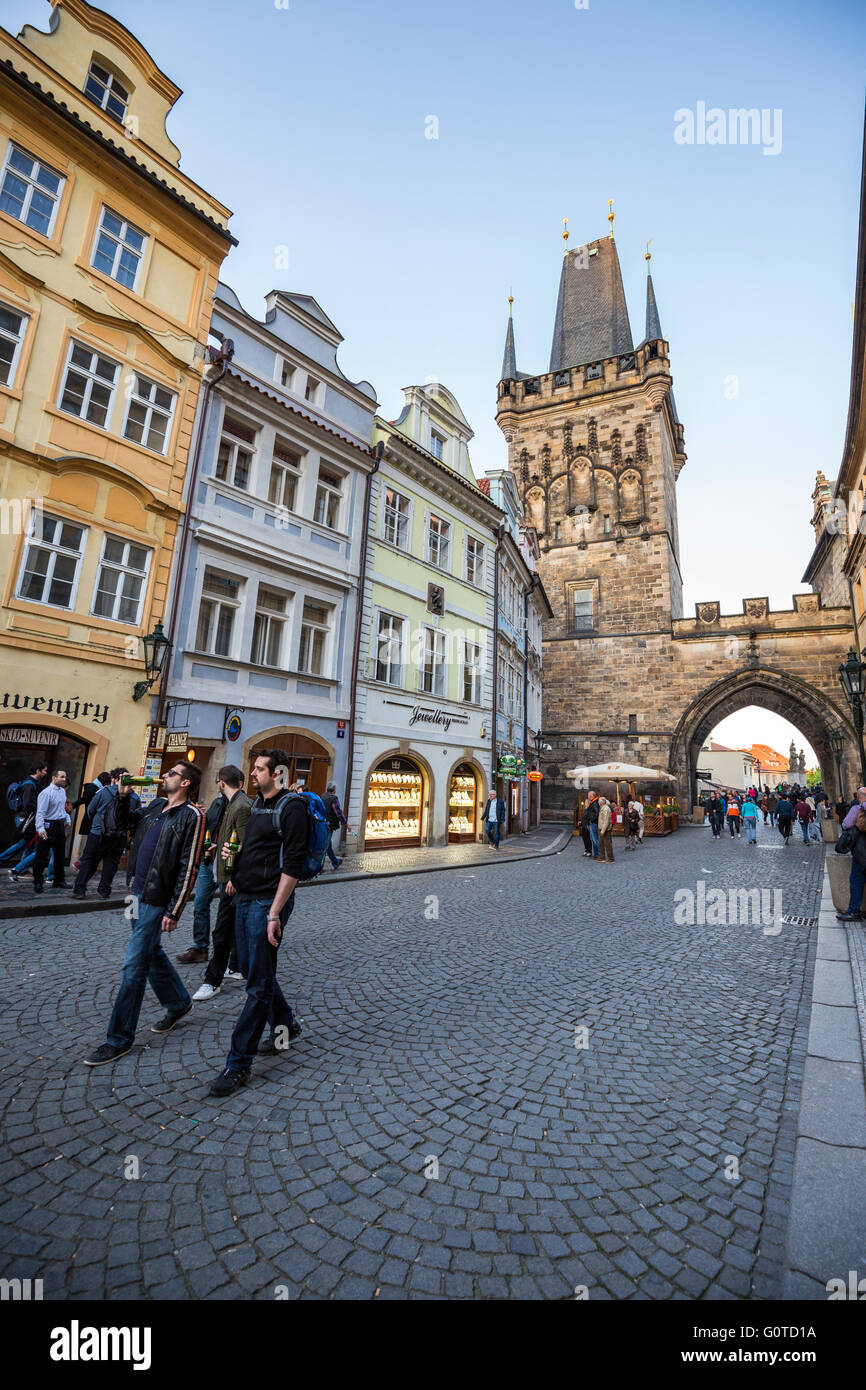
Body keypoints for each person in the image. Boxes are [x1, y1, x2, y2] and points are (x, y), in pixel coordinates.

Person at [83, 762, 205, 1066]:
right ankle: (178, 1003)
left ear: (186, 783)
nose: (166, 775)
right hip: (135, 893)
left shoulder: (192, 816)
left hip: (156, 898)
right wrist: (122, 796)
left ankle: (119, 1039)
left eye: (173, 773)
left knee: (132, 966)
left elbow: (189, 866)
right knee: (150, 953)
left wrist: (175, 909)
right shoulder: (157, 806)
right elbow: (119, 825)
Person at [208, 750, 305, 1097]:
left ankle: (238, 1063)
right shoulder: (257, 805)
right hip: (245, 896)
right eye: (253, 768)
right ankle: (286, 1023)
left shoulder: (291, 807)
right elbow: (254, 848)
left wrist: (275, 912)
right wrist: (232, 864)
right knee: (251, 969)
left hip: (267, 902)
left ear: (277, 772)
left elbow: (292, 864)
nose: (253, 774)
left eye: (260, 769)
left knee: (258, 984)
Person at [193, 766, 252, 1002]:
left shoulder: (240, 806)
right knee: (232, 928)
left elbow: (246, 846)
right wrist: (220, 847)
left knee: (222, 930)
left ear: (221, 783)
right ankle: (236, 968)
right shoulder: (232, 802)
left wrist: (235, 877)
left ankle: (212, 980)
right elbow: (235, 841)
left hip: (231, 879)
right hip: (227, 875)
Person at [72, 769, 140, 899]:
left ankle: (79, 889)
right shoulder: (135, 797)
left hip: (98, 833)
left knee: (89, 861)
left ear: (114, 779)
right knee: (111, 863)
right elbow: (133, 818)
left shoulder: (103, 792)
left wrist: (97, 823)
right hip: (119, 835)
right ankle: (104, 889)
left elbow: (90, 811)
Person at [176, 789, 226, 964]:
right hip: (208, 862)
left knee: (226, 910)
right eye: (219, 781)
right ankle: (200, 948)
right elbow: (208, 828)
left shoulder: (242, 805)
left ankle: (226, 951)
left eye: (223, 781)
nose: (220, 784)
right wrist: (201, 816)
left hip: (226, 866)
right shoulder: (217, 803)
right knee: (200, 904)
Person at [32, 769, 70, 892]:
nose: (65, 779)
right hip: (48, 825)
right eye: (62, 777)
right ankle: (38, 882)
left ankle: (59, 880)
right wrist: (40, 828)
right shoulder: (46, 793)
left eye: (65, 777)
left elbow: (62, 808)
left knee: (60, 854)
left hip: (59, 826)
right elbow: (40, 813)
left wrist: (67, 818)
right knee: (41, 855)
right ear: (54, 778)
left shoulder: (62, 792)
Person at [836, 788, 866, 921]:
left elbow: (846, 824)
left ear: (859, 797)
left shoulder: (857, 808)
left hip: (861, 850)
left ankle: (854, 911)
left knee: (856, 880)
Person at [322, 781, 347, 869]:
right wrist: (345, 822)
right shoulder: (333, 799)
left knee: (328, 845)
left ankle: (335, 861)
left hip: (322, 823)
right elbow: (338, 812)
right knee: (325, 845)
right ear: (334, 789)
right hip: (330, 825)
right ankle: (319, 866)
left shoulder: (323, 797)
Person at [597, 796, 615, 862]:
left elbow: (606, 821)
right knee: (600, 844)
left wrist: (602, 831)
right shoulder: (602, 808)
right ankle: (601, 857)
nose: (598, 802)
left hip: (605, 830)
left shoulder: (606, 809)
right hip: (601, 829)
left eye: (599, 801)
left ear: (602, 802)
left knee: (607, 844)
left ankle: (611, 859)